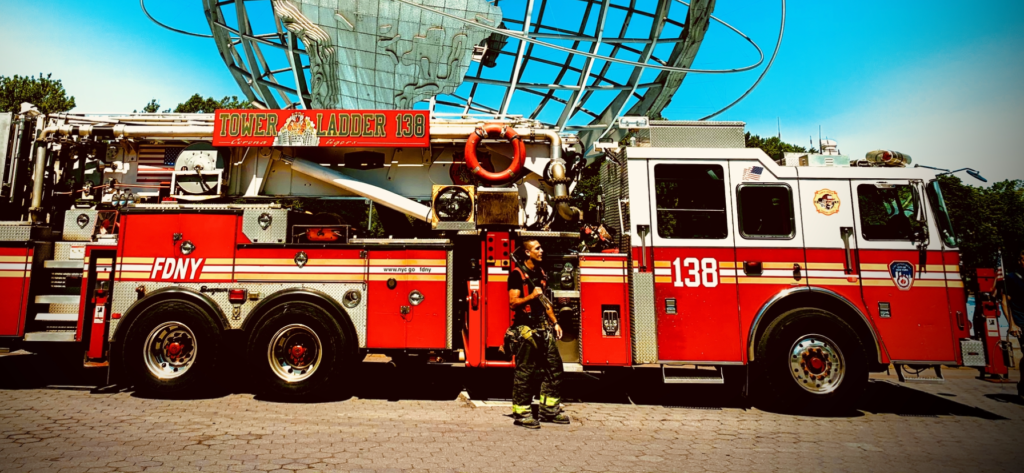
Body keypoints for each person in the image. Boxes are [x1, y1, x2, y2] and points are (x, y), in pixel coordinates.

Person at [506, 239, 569, 429]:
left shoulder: (540, 273)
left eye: (541, 247)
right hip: (525, 330)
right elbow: (512, 303)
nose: (542, 251)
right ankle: (522, 413)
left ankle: (549, 410)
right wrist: (530, 296)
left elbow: (544, 302)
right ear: (527, 253)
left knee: (554, 367)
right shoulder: (516, 275)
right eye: (537, 248)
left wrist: (555, 322)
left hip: (543, 327)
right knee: (525, 372)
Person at [1000, 249, 1024, 396]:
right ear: (1019, 261)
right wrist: (1012, 324)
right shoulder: (1012, 278)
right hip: (1021, 322)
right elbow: (1004, 302)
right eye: (1023, 259)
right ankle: (1023, 387)